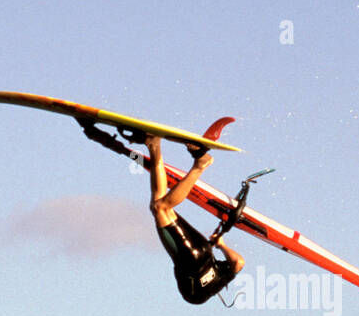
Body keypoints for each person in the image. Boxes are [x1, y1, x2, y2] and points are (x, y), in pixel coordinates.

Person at [78, 120, 244, 305]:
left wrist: (221, 245)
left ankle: (153, 145)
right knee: (160, 208)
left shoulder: (216, 285)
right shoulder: (196, 298)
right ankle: (200, 165)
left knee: (159, 202)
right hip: (189, 260)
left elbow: (238, 263)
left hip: (203, 247)